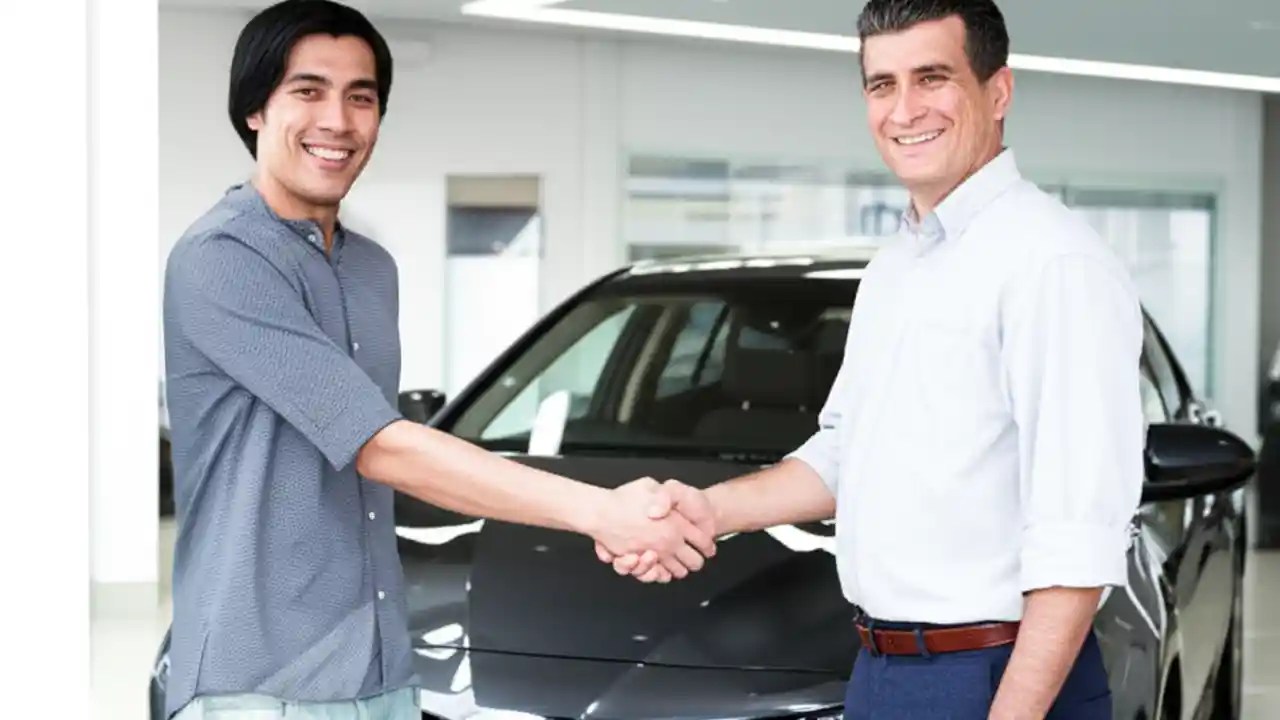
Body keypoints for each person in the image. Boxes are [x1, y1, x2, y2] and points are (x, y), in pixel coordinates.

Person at [160, 2, 714, 718]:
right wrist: (602, 511)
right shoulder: (222, 258)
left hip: (382, 662)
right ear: (254, 111)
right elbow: (379, 446)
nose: (337, 120)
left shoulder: (370, 268)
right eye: (308, 90)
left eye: (361, 98)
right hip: (262, 676)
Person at [601, 0, 1145, 717]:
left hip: (997, 676)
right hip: (884, 670)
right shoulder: (898, 266)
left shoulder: (1053, 263)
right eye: (882, 84)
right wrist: (708, 508)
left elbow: (1077, 533)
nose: (904, 108)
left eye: (932, 77)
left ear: (998, 91)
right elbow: (845, 450)